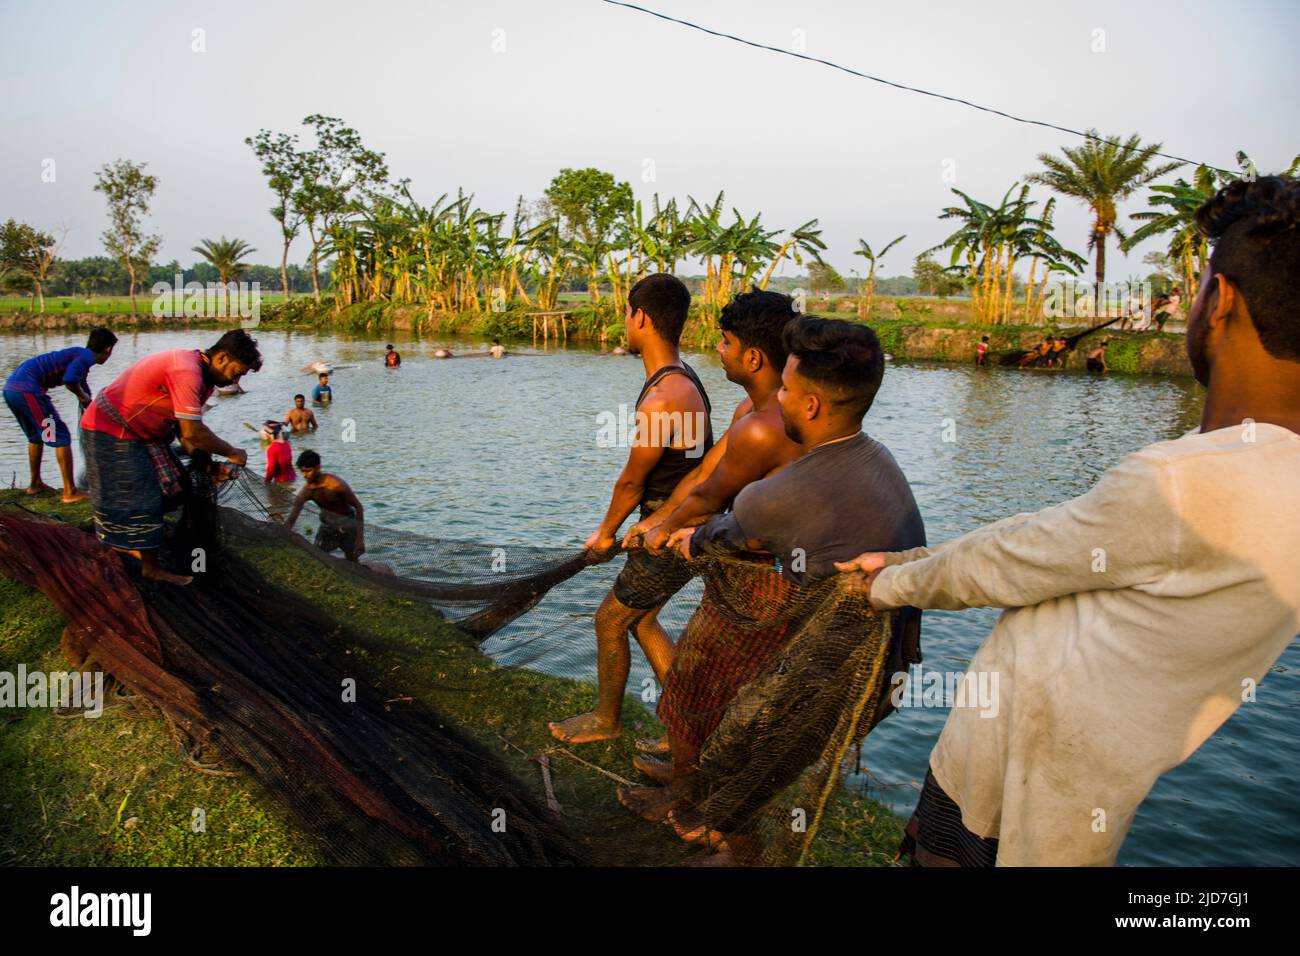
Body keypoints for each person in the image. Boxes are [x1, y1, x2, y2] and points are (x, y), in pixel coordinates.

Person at [836, 174, 1300, 867]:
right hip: (1082, 795)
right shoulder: (1269, 476)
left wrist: (885, 587)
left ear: (1221, 300)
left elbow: (1010, 564)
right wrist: (901, 562)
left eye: (1201, 285)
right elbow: (1051, 539)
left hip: (1019, 791)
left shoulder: (1183, 481)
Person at [618, 317, 926, 842]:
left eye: (786, 387)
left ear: (810, 405)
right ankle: (722, 828)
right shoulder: (879, 458)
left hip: (839, 677)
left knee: (743, 746)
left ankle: (733, 847)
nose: (776, 396)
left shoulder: (776, 494)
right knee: (750, 747)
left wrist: (676, 535)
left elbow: (720, 532)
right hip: (889, 665)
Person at [622, 289, 804, 762]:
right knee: (699, 678)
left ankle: (691, 797)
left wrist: (660, 530)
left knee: (709, 682)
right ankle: (686, 775)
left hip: (764, 580)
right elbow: (702, 476)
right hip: (734, 568)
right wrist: (657, 522)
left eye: (724, 342)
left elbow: (709, 496)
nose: (718, 351)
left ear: (754, 355)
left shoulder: (770, 425)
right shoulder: (748, 413)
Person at [548, 273, 713, 745]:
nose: (625, 321)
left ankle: (606, 720)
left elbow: (632, 481)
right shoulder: (683, 378)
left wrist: (604, 534)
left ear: (640, 317)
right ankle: (687, 726)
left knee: (611, 619)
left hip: (665, 525)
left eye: (626, 312)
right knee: (641, 618)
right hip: (673, 520)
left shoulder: (664, 397)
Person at [80, 329, 261, 584]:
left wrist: (209, 466)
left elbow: (185, 434)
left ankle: (136, 540)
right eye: (237, 372)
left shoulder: (205, 380)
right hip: (111, 426)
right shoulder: (187, 372)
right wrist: (232, 452)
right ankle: (148, 565)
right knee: (145, 496)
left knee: (177, 487)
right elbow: (193, 432)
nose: (236, 380)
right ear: (222, 358)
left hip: (143, 433)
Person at [3, 327, 117, 503]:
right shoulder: (85, 358)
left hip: (11, 390)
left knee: (36, 436)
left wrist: (91, 405)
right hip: (28, 391)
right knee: (61, 435)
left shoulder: (80, 356)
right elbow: (70, 380)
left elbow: (81, 385)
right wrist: (81, 396)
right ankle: (70, 492)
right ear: (108, 350)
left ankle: (35, 484)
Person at [283, 449, 366, 561]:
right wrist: (281, 535)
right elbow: (291, 519)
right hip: (327, 525)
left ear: (318, 468)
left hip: (347, 524)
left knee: (352, 559)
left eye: (308, 471)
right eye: (302, 471)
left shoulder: (336, 485)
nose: (304, 475)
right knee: (317, 557)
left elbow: (358, 507)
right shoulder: (307, 492)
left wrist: (360, 539)